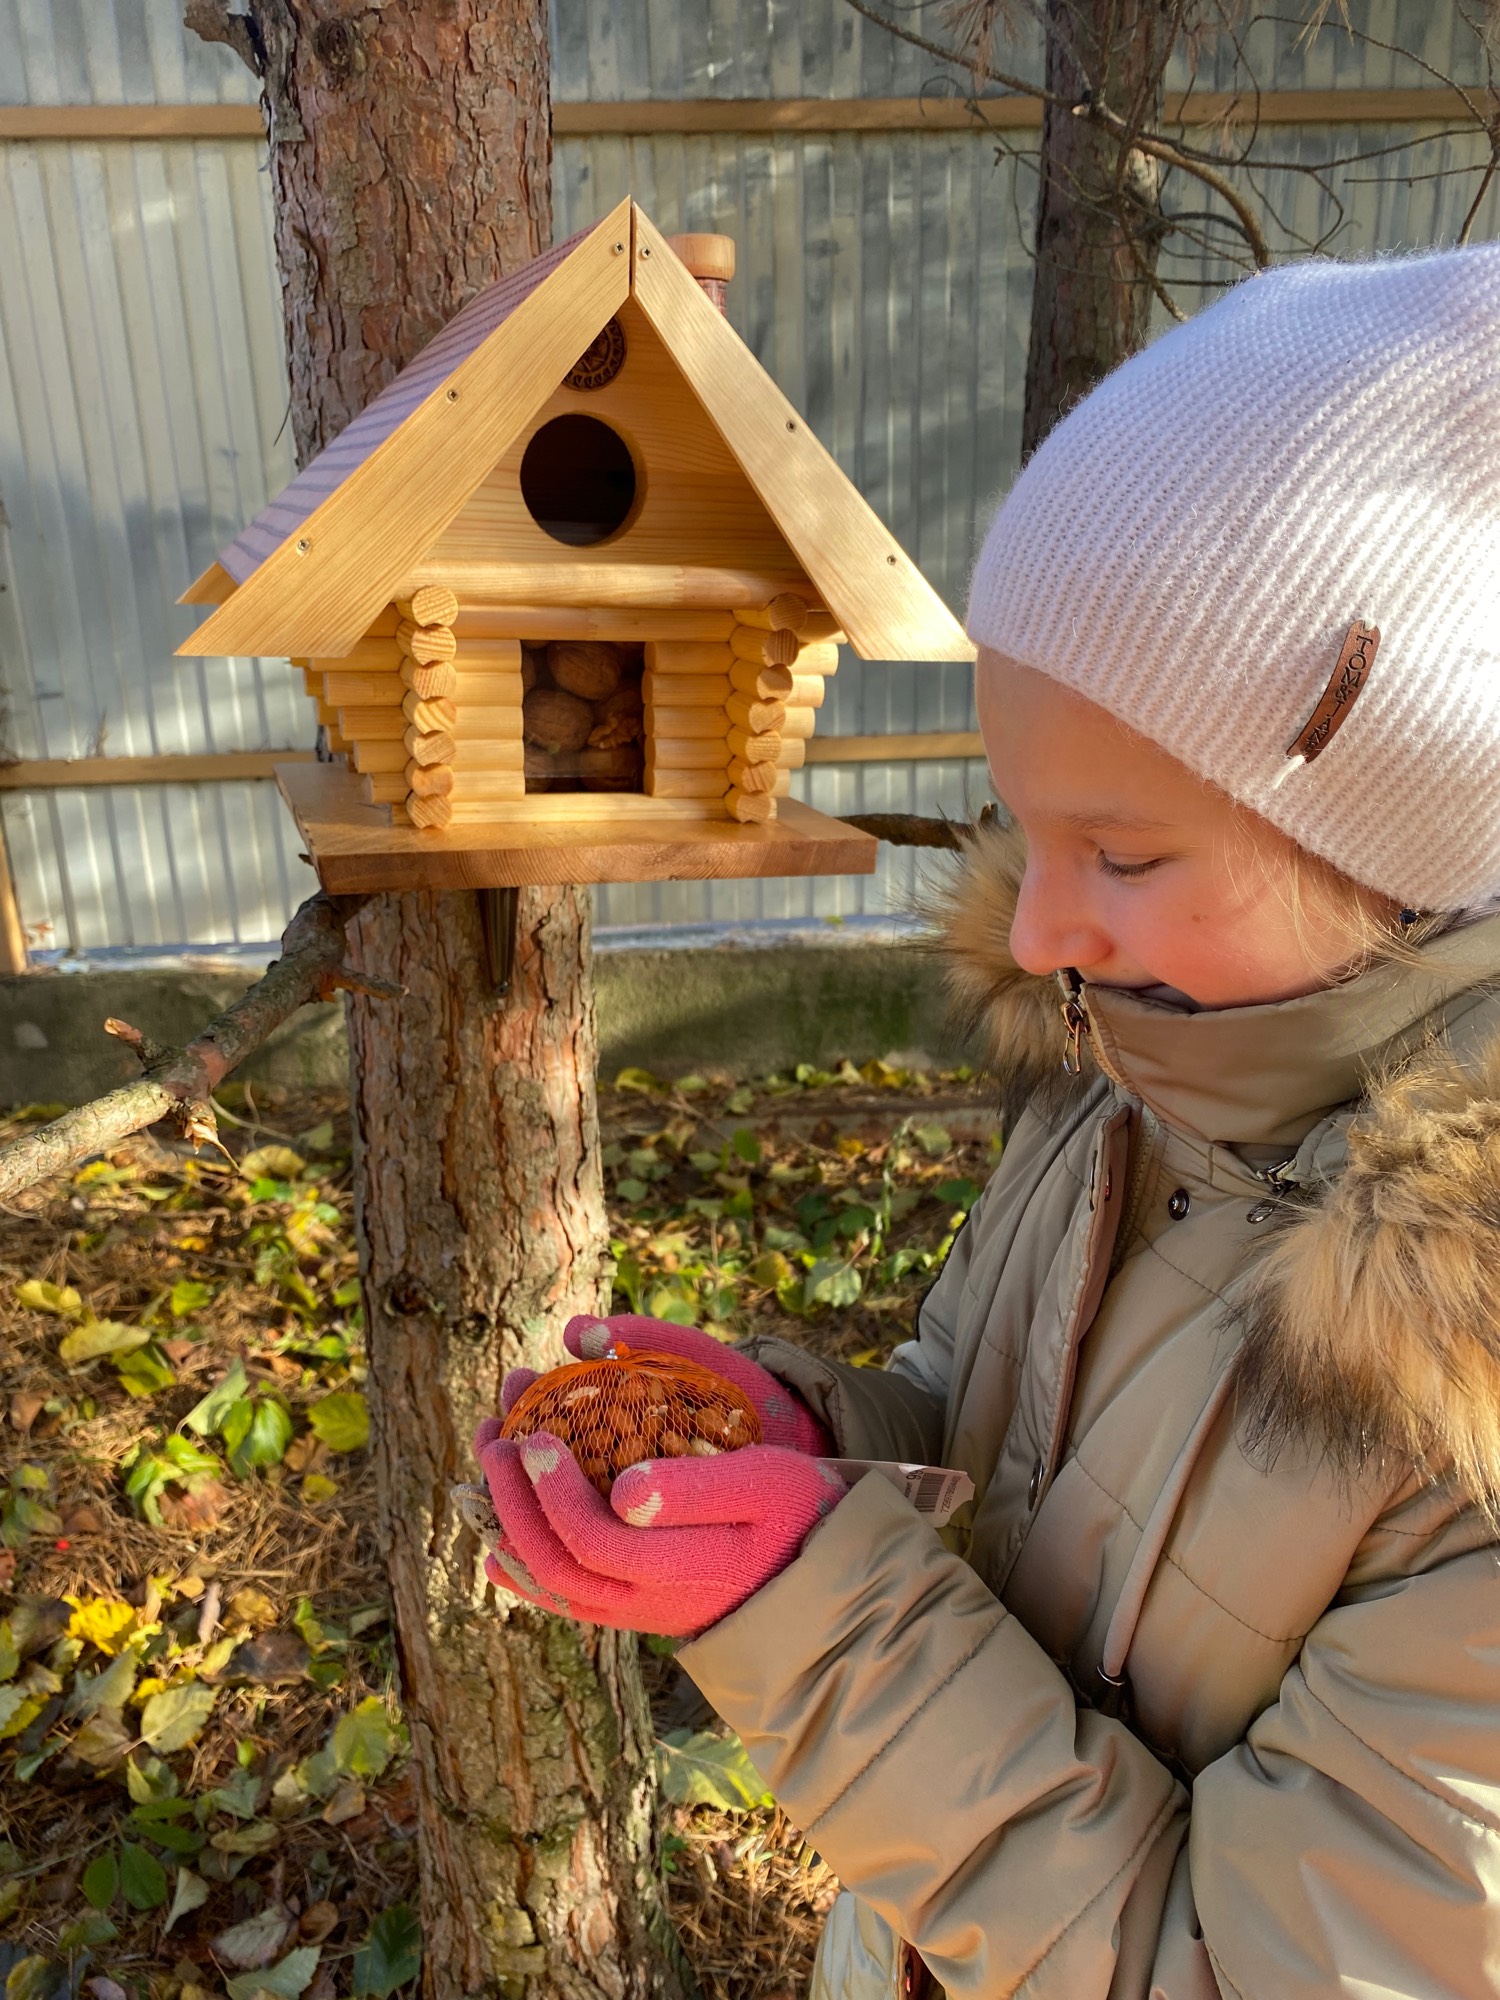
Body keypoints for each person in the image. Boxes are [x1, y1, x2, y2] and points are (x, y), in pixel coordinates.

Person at [474, 240, 1500, 1997]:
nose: (1035, 933)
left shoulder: (1462, 1380)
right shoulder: (1143, 1063)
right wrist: (815, 1445)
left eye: (1125, 852)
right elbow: (1013, 1447)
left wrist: (811, 1619)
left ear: (1411, 839)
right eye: (1022, 823)